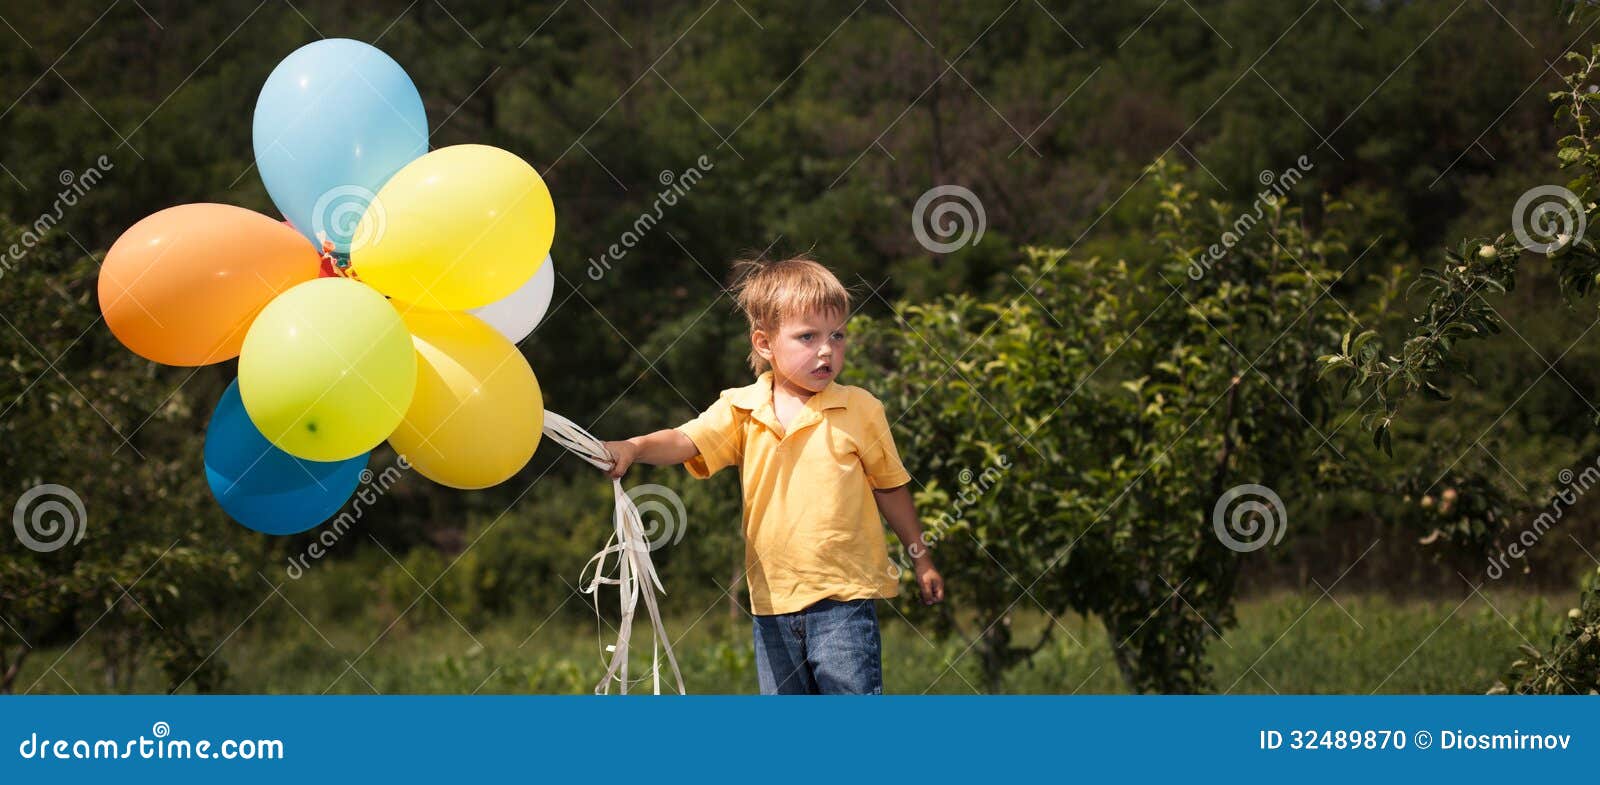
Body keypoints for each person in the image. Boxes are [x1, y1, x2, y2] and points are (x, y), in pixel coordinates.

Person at [602, 255, 945, 694]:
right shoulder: (741, 408)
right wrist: (633, 447)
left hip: (844, 601)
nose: (826, 349)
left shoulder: (861, 409)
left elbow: (890, 488)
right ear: (764, 344)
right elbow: (685, 440)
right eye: (807, 337)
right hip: (771, 605)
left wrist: (921, 559)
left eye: (837, 335)